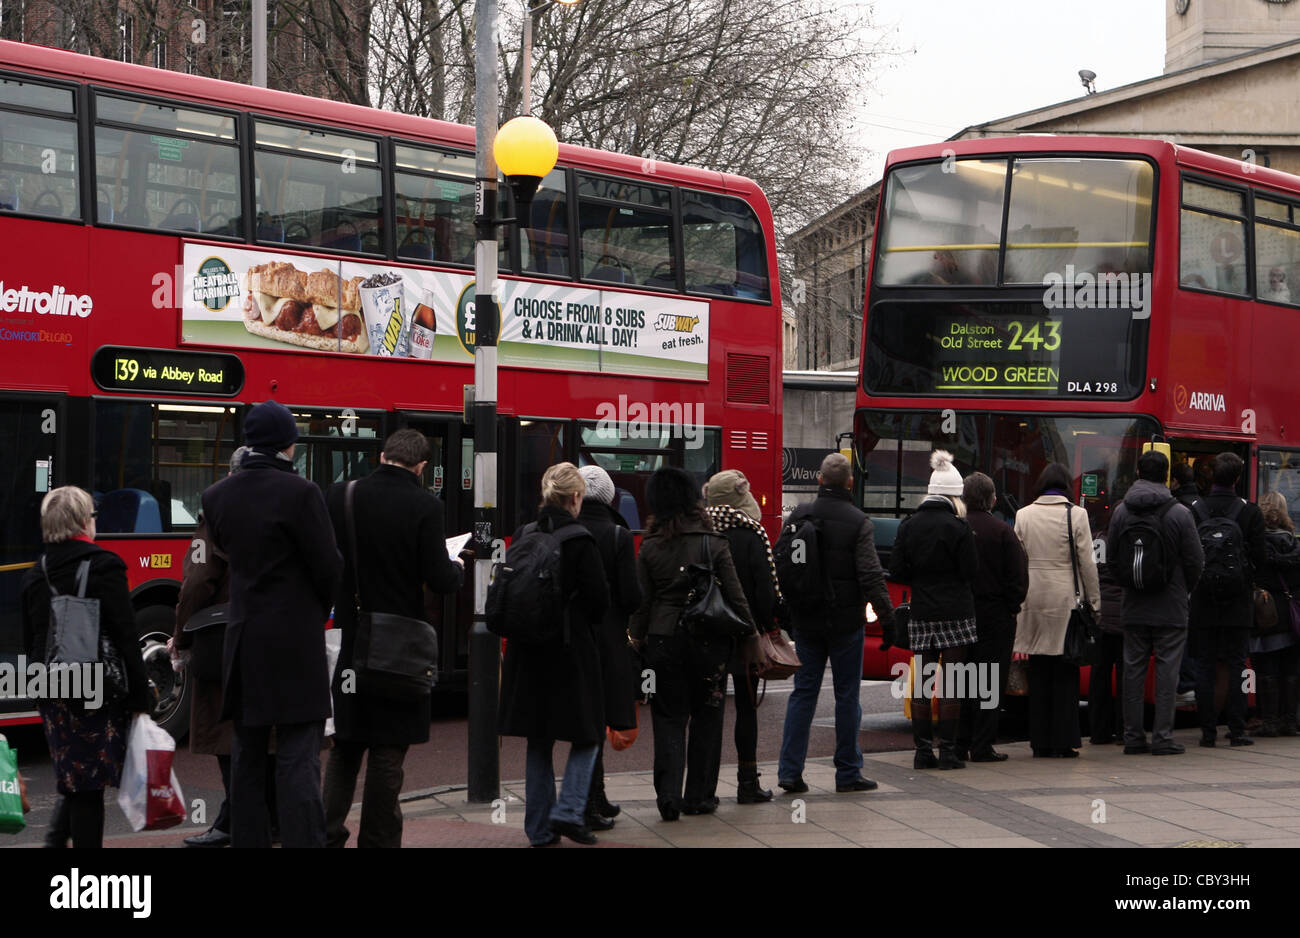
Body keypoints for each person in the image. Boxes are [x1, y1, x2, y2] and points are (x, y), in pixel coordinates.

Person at [202, 400, 342, 848]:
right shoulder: (302, 493)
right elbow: (329, 567)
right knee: (298, 757)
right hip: (295, 642)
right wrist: (313, 609)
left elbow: (225, 550)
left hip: (244, 640)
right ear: (288, 444)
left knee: (247, 754)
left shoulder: (216, 496)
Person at [322, 429, 464, 848]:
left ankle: (326, 833)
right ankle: (378, 840)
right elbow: (439, 578)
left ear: (382, 455)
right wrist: (454, 566)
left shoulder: (340, 495)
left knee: (346, 746)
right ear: (421, 466)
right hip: (399, 644)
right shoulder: (425, 505)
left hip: (350, 640)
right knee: (388, 749)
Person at [21, 486, 154, 848]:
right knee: (88, 787)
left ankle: (53, 841)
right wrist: (141, 696)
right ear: (83, 521)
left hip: (52, 690)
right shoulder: (104, 566)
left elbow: (32, 640)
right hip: (95, 690)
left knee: (75, 776)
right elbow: (126, 635)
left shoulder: (35, 574)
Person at [630, 466, 755, 820]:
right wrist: (749, 632)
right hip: (708, 642)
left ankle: (668, 795)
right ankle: (699, 795)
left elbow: (642, 604)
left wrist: (635, 640)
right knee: (707, 716)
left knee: (668, 717)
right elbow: (735, 595)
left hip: (663, 640)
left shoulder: (651, 546)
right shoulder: (714, 543)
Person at [498, 462, 610, 845]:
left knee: (538, 739)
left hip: (527, 653)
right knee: (589, 732)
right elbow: (598, 603)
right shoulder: (580, 539)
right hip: (569, 651)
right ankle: (569, 808)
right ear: (576, 497)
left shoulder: (524, 533)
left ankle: (539, 830)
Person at [172, 446, 277, 848]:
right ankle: (270, 818)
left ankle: (235, 820)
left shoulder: (217, 516)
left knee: (227, 734)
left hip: (227, 639)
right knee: (269, 737)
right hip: (278, 639)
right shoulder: (289, 511)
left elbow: (198, 582)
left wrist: (180, 636)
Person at [778, 452, 896, 789]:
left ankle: (789, 771)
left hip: (806, 619)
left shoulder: (799, 515)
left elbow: (782, 561)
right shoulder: (859, 521)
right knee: (847, 696)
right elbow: (871, 575)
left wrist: (786, 610)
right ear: (850, 483)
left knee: (803, 693)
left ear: (819, 480)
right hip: (845, 621)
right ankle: (847, 772)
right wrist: (887, 618)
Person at [1107, 449, 1203, 755]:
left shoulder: (1121, 511)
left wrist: (1130, 585)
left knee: (1132, 671)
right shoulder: (1179, 513)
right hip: (1171, 606)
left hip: (1133, 604)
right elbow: (1195, 561)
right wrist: (1182, 589)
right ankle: (1162, 737)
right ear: (1167, 478)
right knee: (1167, 672)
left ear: (1137, 474)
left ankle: (1132, 737)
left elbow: (1111, 560)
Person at [889, 451, 978, 769]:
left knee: (924, 683)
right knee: (954, 683)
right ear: (956, 497)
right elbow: (971, 571)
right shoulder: (959, 527)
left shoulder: (909, 525)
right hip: (957, 611)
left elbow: (897, 571)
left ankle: (922, 751)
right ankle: (949, 752)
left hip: (923, 610)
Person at [704, 469, 782, 802]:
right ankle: (747, 782)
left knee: (710, 710)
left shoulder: (702, 532)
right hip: (746, 634)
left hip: (708, 633)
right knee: (747, 710)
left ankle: (703, 787)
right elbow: (766, 594)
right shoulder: (752, 535)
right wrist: (769, 628)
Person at [1013, 463, 1101, 758]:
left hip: (1032, 601)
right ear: (1065, 485)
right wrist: (1095, 604)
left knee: (1038, 673)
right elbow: (1087, 564)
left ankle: (1040, 742)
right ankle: (1063, 742)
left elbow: (1017, 562)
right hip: (1065, 602)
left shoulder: (1023, 515)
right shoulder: (1076, 515)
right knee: (1065, 675)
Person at [575, 463, 641, 829]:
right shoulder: (617, 535)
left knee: (583, 721)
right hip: (607, 638)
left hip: (572, 637)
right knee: (598, 719)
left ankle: (592, 797)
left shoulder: (566, 527)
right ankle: (589, 801)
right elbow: (632, 596)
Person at [1187, 452, 1266, 748]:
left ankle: (1207, 732)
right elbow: (1260, 557)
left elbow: (1189, 556)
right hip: (1238, 602)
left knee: (1205, 665)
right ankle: (1236, 728)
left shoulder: (1194, 510)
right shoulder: (1250, 512)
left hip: (1204, 600)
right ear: (1236, 479)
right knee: (1236, 664)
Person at [956, 471, 1028, 762]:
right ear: (993, 499)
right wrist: (1011, 606)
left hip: (961, 612)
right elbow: (1018, 578)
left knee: (961, 677)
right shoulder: (1002, 532)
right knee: (990, 678)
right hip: (996, 615)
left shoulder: (956, 527)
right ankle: (982, 744)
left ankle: (958, 741)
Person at [1249, 491, 1300, 737]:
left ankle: (1270, 722)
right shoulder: (1294, 542)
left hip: (1265, 610)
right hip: (1291, 613)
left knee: (1267, 668)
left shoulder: (1256, 546)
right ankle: (1290, 721)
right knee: (1290, 668)